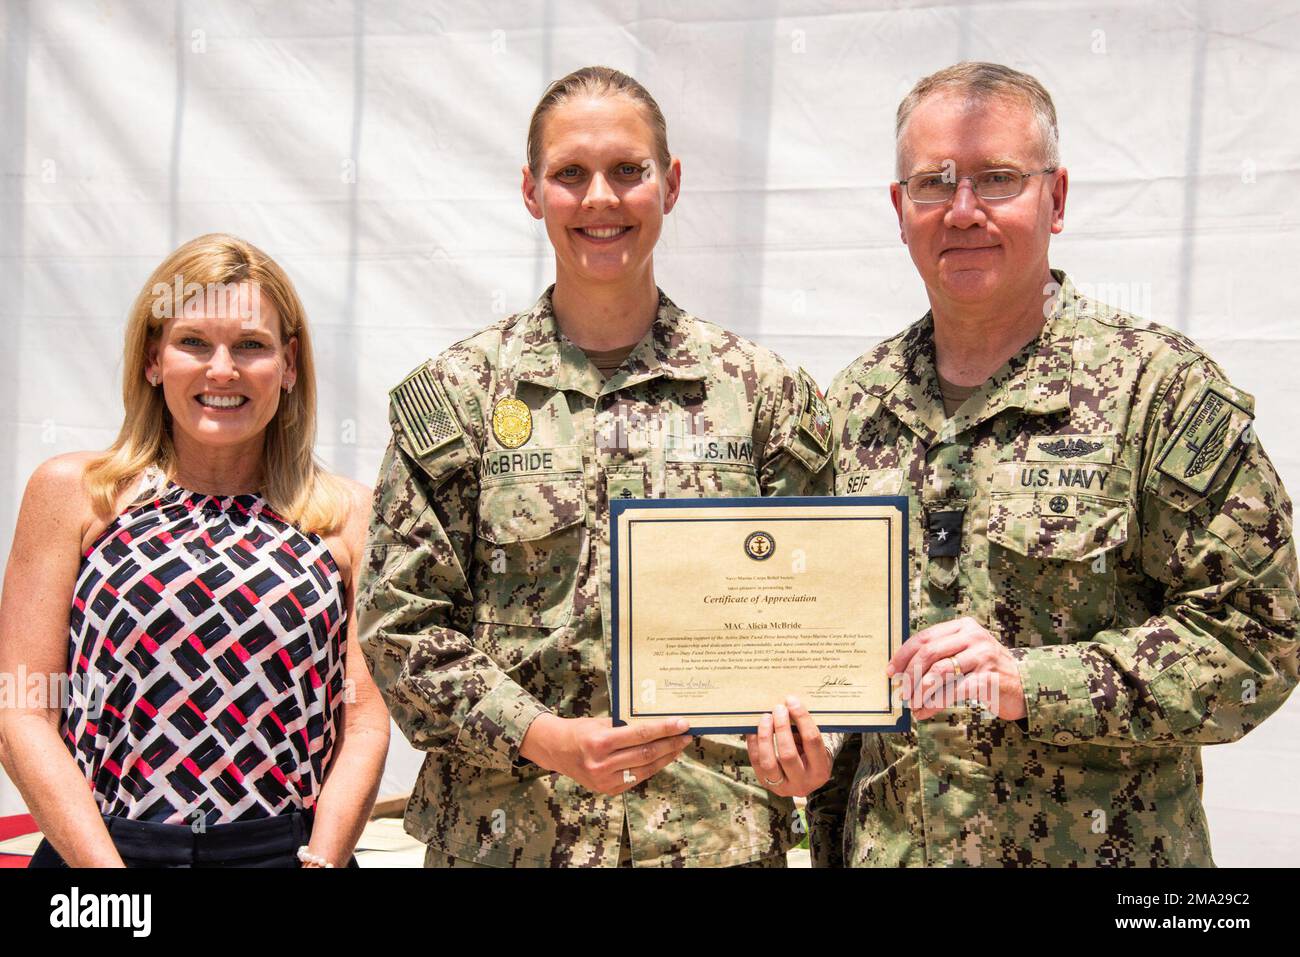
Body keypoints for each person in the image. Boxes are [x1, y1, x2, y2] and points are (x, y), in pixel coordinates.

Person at [804, 61, 1299, 866]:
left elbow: (1260, 639)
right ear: (900, 209)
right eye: (934, 183)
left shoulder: (1158, 391)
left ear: (1056, 198)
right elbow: (828, 662)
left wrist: (1034, 683)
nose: (963, 211)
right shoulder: (852, 405)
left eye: (997, 179)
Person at [358, 65, 832, 867]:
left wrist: (808, 741)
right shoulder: (461, 396)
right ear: (532, 191)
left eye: (628, 171)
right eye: (570, 174)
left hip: (709, 841)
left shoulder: (763, 396)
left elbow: (822, 624)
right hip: (507, 842)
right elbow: (399, 623)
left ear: (670, 184)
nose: (601, 199)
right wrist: (540, 736)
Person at [0, 233, 389, 867]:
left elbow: (366, 721)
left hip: (286, 855)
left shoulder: (348, 518)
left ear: (290, 365)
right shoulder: (74, 496)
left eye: (251, 346)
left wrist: (323, 859)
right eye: (193, 343)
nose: (222, 370)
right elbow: (21, 712)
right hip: (98, 855)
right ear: (154, 358)